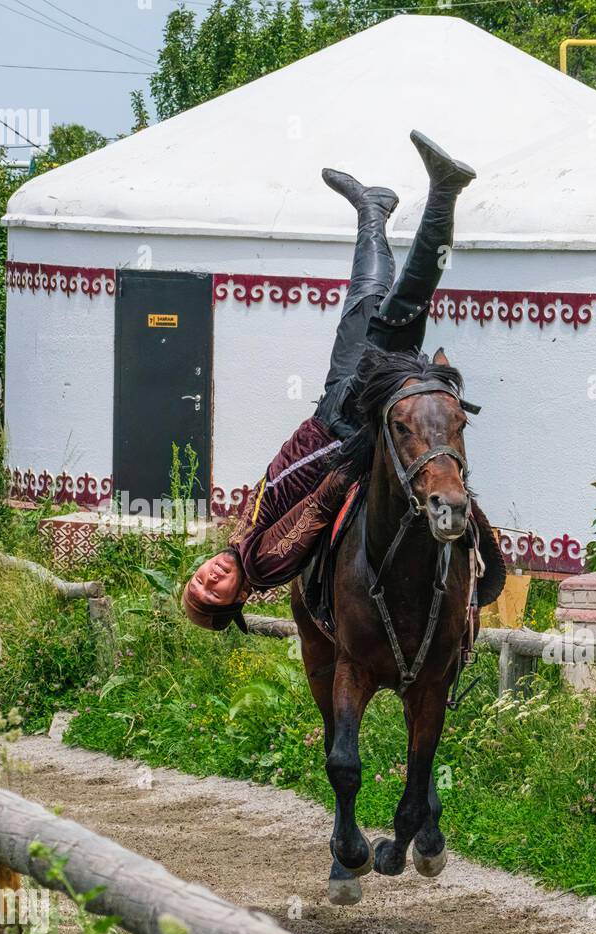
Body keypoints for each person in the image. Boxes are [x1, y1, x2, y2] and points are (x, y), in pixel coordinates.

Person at [183, 130, 480, 632]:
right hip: (346, 427)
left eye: (199, 579)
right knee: (401, 306)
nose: (210, 576)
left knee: (365, 300)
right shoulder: (264, 563)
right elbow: (315, 512)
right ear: (235, 600)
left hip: (330, 412)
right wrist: (358, 451)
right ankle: (445, 191)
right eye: (214, 590)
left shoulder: (240, 541)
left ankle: (372, 209)